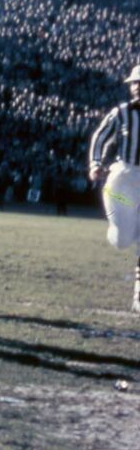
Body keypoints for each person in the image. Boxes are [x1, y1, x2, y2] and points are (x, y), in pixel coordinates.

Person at [88, 64, 140, 313]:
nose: (137, 87)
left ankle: (139, 296)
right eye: (135, 83)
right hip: (123, 177)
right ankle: (119, 225)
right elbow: (100, 136)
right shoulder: (121, 112)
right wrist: (95, 164)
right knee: (122, 240)